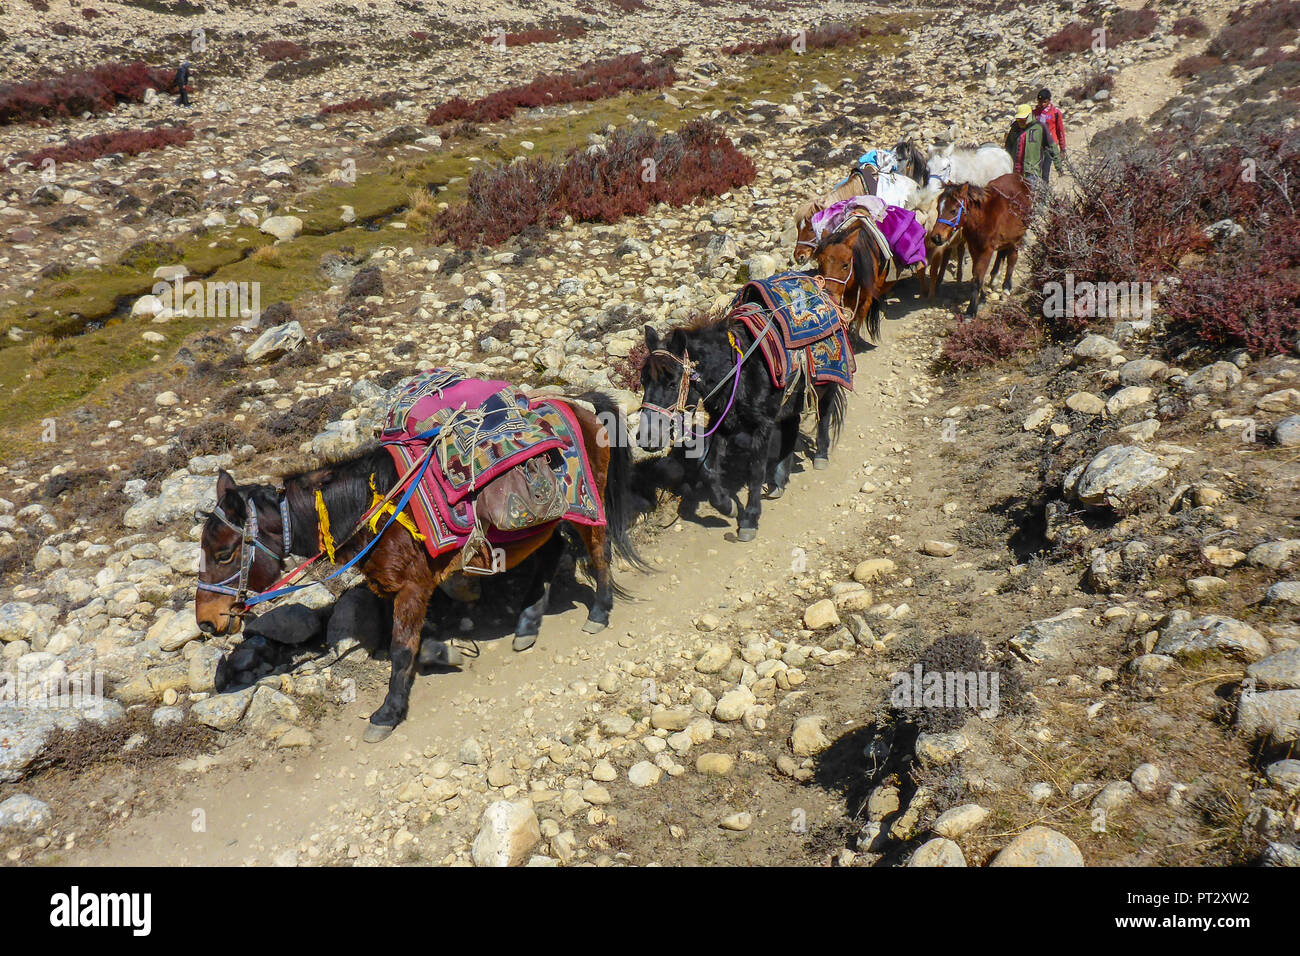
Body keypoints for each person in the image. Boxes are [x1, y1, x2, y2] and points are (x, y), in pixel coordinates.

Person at [1007, 103, 1060, 191]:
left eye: (1023, 119)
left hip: (1031, 171)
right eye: (1019, 119)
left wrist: (1058, 166)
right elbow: (1008, 147)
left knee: (1031, 197)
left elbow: (1052, 146)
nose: (1021, 122)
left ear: (1030, 116)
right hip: (1015, 171)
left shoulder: (1040, 127)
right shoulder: (1014, 129)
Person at [1033, 88, 1066, 181]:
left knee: (1045, 171)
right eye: (1040, 102)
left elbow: (1060, 131)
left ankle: (1045, 192)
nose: (1042, 104)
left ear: (1049, 101)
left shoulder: (1055, 113)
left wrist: (1062, 148)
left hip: (1050, 146)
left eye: (1044, 102)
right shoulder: (1034, 113)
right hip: (1037, 146)